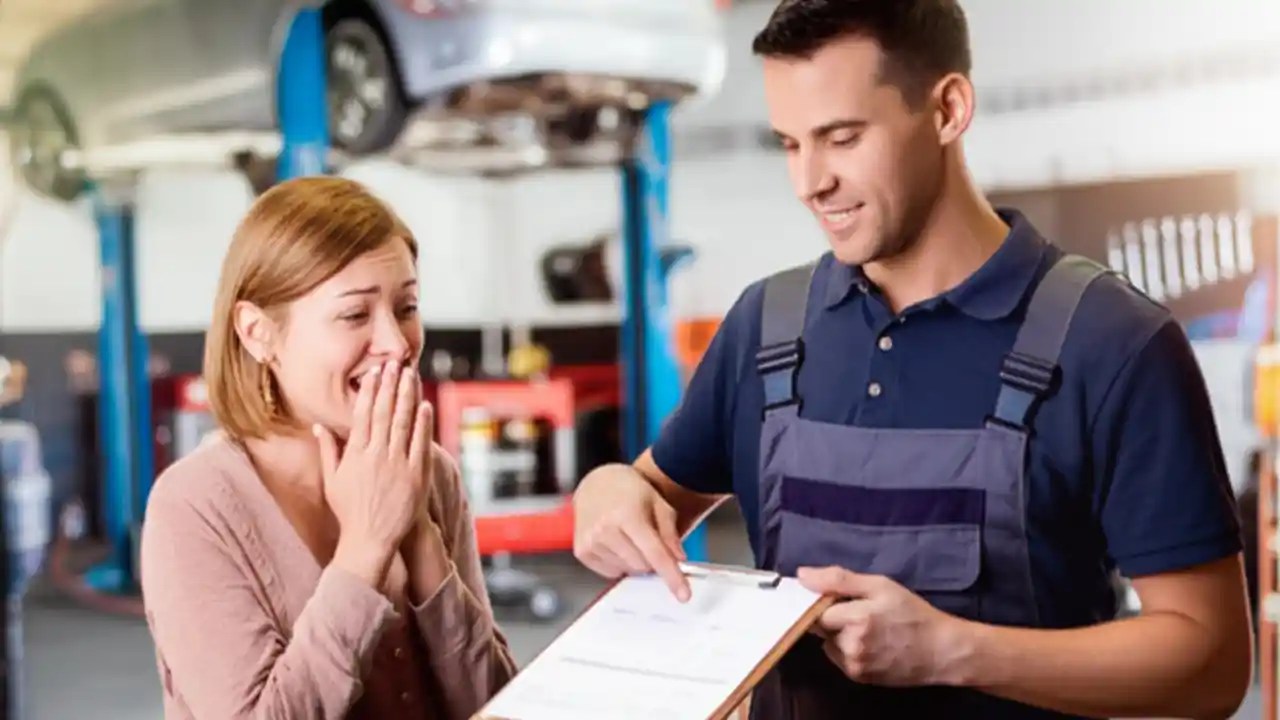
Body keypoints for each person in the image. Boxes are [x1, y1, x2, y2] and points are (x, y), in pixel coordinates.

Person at [572, 1, 1253, 718]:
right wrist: (609, 490)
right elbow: (650, 493)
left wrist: (950, 650)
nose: (810, 183)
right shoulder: (765, 326)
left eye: (841, 138)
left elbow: (1210, 663)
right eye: (790, 144)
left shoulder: (1112, 342)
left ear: (949, 110)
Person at [140, 176, 516, 719]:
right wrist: (367, 545)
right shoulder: (194, 506)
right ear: (258, 332)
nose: (395, 344)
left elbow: (498, 705)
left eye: (406, 307)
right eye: (355, 315)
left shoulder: (430, 473)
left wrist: (419, 539)